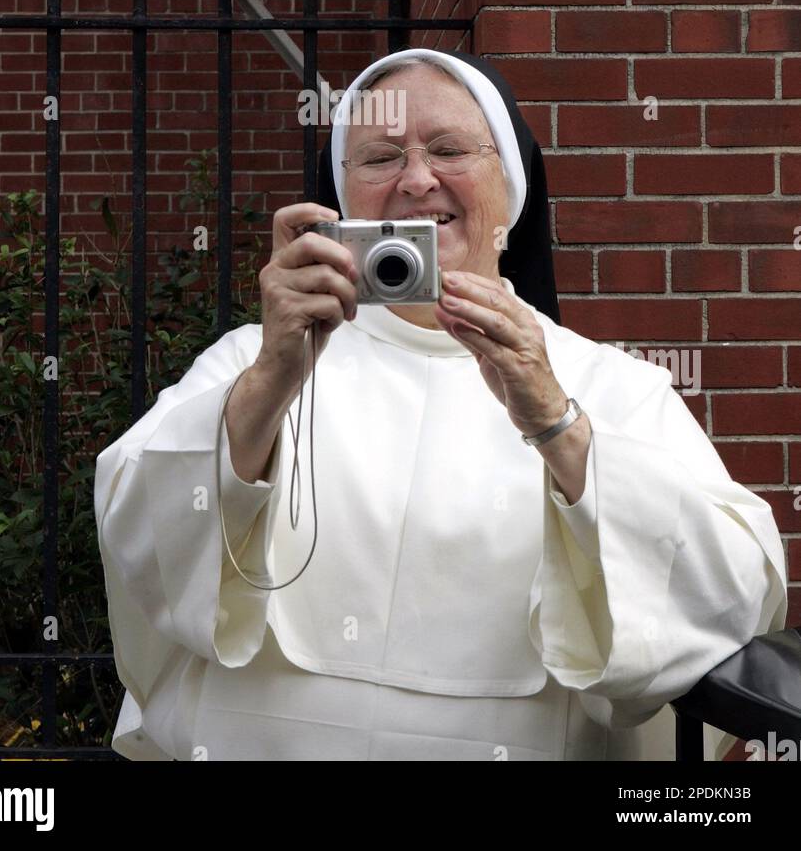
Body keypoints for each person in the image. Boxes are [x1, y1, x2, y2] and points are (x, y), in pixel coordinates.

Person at [94, 47, 788, 761]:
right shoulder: (252, 359)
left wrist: (557, 423)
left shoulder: (610, 385)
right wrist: (273, 378)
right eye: (379, 158)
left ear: (511, 187)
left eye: (450, 149)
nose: (418, 180)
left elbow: (727, 586)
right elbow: (138, 533)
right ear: (341, 193)